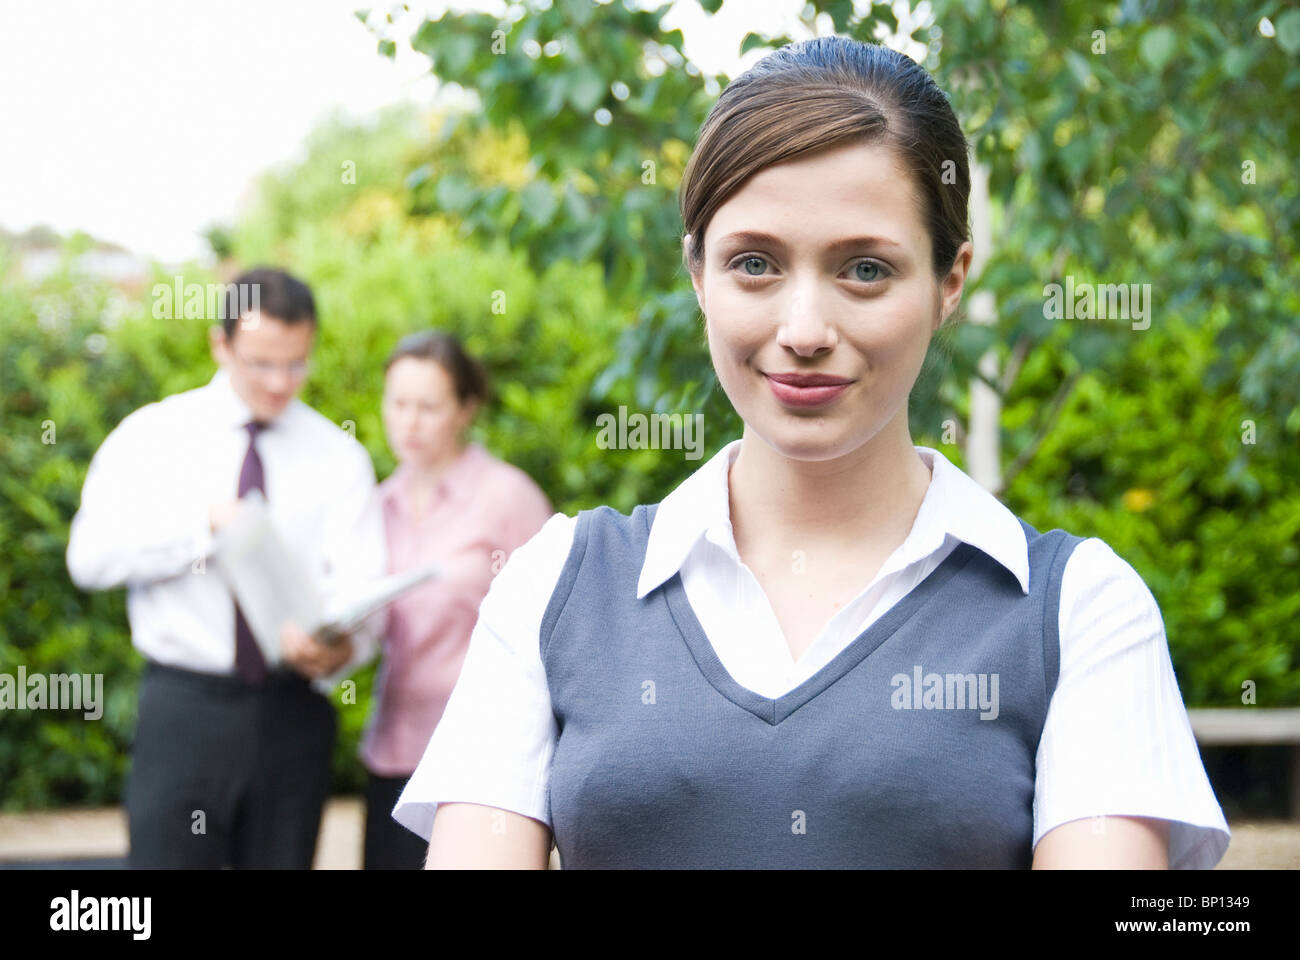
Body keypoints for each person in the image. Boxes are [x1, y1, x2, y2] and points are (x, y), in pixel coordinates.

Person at [391, 37, 1230, 869]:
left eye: (865, 270)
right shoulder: (556, 586)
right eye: (754, 264)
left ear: (950, 282)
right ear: (696, 274)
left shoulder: (1079, 611)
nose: (803, 332)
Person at [66, 266, 386, 869]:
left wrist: (344, 649)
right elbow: (90, 557)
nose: (279, 383)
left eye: (296, 365)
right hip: (185, 711)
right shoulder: (154, 437)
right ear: (221, 344)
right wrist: (203, 528)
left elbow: (363, 589)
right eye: (261, 363)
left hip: (294, 715)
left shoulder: (338, 457)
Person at [360, 331, 553, 869]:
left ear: (466, 409)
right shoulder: (378, 503)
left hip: (477, 763)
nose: (409, 422)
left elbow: (553, 629)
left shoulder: (508, 498)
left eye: (428, 407)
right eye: (398, 404)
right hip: (392, 749)